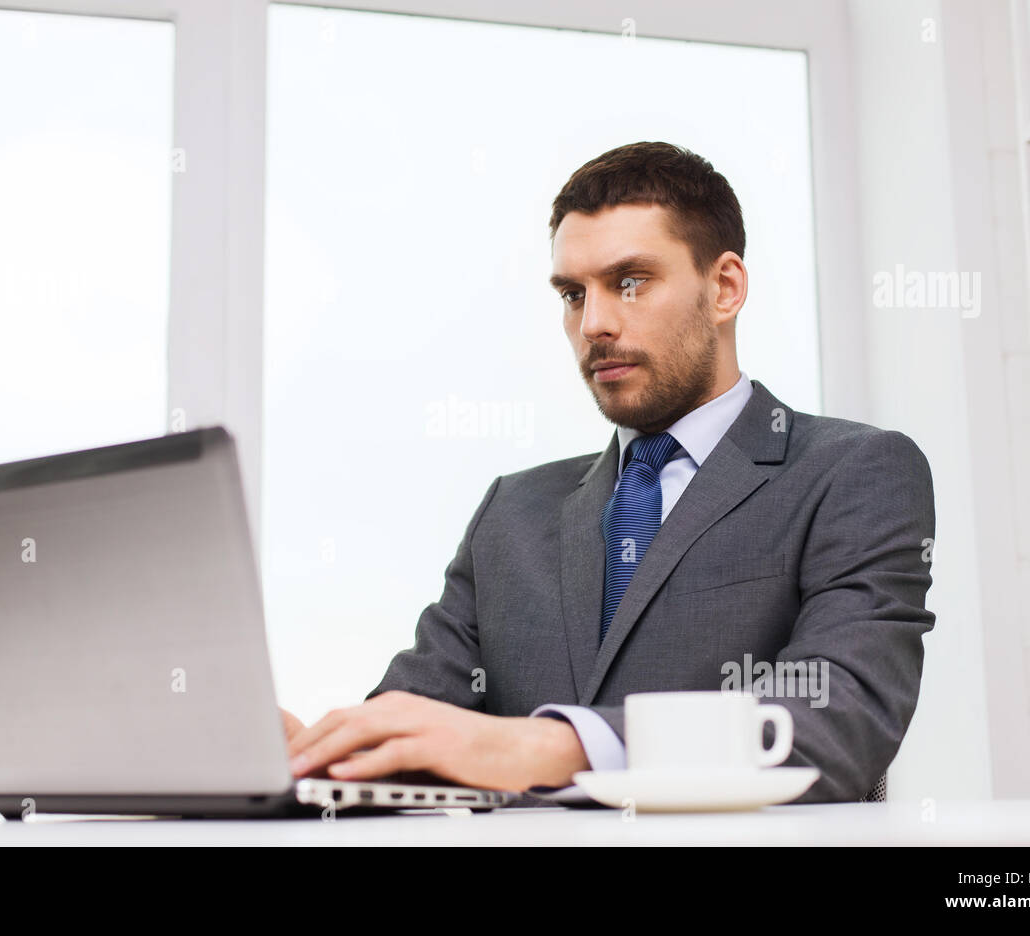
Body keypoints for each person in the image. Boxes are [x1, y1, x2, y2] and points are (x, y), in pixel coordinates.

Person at [284, 141, 936, 802]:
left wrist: (558, 747)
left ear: (725, 288)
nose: (594, 323)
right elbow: (417, 729)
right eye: (573, 294)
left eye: (629, 282)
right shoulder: (512, 512)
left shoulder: (854, 474)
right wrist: (314, 756)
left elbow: (836, 721)